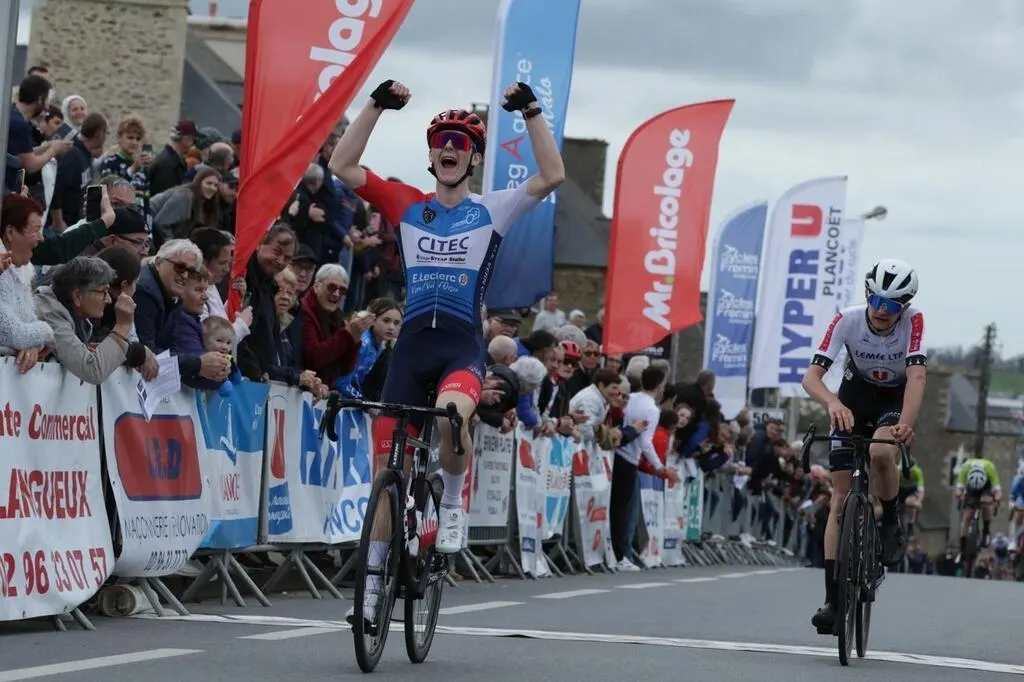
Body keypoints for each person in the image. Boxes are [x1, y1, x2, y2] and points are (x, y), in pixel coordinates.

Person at [328, 78, 564, 628]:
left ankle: (452, 502)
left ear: (474, 158)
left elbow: (552, 175)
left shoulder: (492, 210)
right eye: (442, 141)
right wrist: (376, 105)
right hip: (411, 351)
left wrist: (530, 110)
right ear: (432, 156)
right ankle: (369, 593)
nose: (451, 148)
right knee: (386, 477)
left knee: (454, 418)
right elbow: (343, 165)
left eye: (462, 142)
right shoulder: (407, 203)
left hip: (460, 347)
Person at [801, 259, 926, 634]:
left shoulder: (914, 321)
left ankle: (890, 519)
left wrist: (907, 422)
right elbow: (812, 376)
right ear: (867, 294)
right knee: (840, 499)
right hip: (853, 398)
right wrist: (832, 403)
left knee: (881, 453)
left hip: (892, 400)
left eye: (892, 305)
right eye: (876, 300)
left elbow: (917, 376)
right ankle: (832, 600)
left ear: (904, 306)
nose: (881, 311)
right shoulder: (847, 319)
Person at [955, 455, 1002, 565]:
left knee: (987, 504)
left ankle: (986, 530)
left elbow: (999, 492)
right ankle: (962, 550)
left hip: (986, 487)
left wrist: (995, 499)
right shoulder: (965, 468)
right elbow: (958, 489)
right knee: (966, 516)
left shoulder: (990, 468)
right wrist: (959, 495)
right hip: (971, 489)